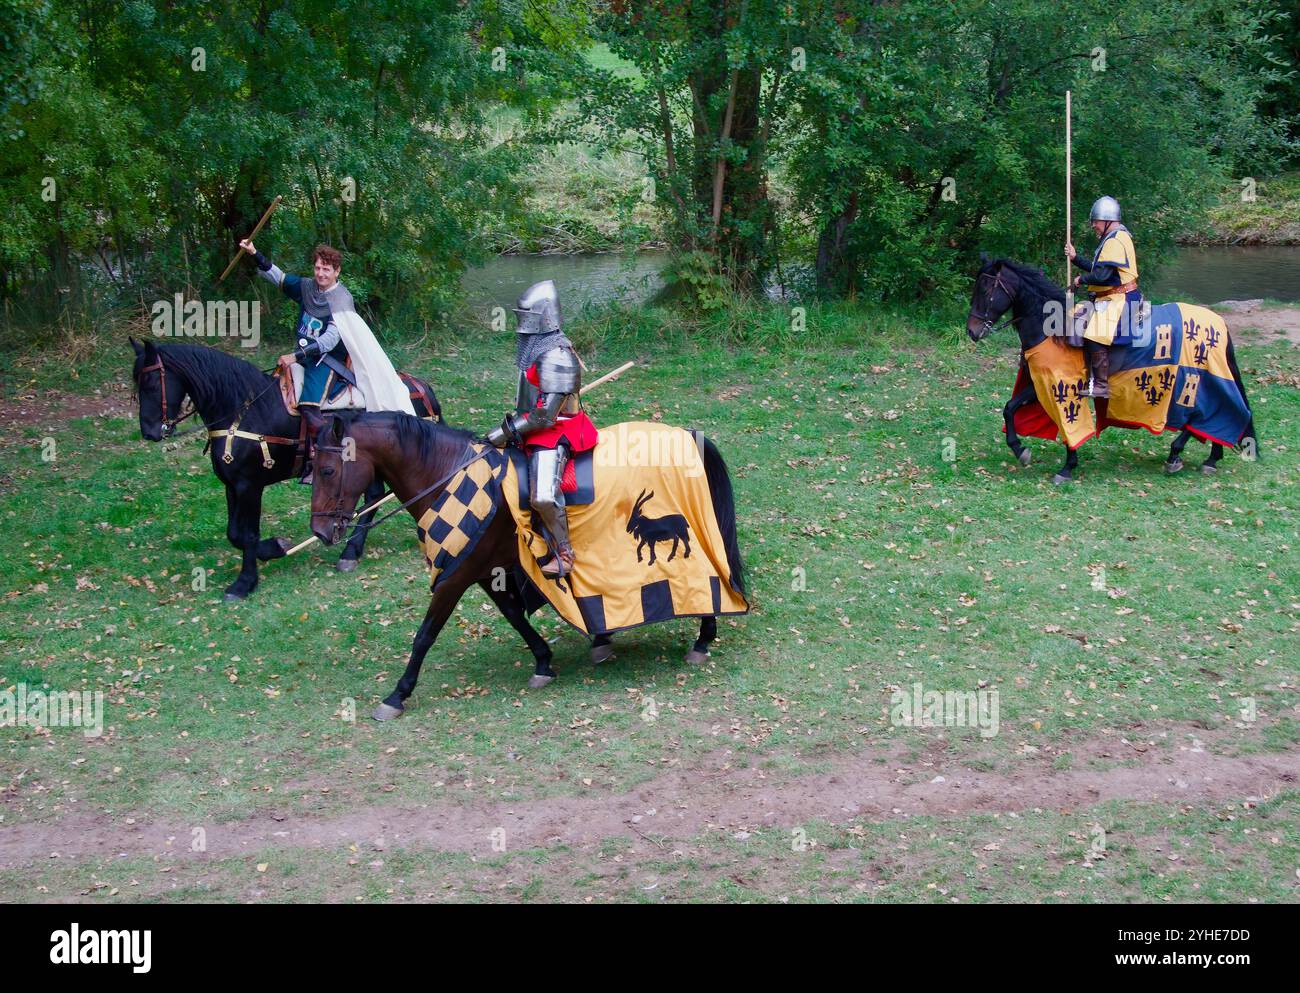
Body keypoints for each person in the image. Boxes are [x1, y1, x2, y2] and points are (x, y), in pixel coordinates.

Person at [239, 239, 414, 478]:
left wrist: (295, 356)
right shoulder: (307, 287)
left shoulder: (341, 299)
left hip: (327, 360)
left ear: (336, 271)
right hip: (304, 357)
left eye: (326, 269)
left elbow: (329, 341)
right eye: (318, 268)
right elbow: (278, 277)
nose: (321, 273)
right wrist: (254, 253)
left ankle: (318, 459)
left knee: (309, 405)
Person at [486, 280, 597, 577]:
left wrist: (503, 432)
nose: (522, 322)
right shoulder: (537, 350)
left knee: (543, 496)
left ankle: (565, 554)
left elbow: (544, 417)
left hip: (556, 431)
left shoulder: (558, 355)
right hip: (533, 426)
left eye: (527, 315)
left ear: (543, 316)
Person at [1063, 196, 1142, 398]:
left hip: (1120, 298)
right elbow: (1100, 269)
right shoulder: (1113, 237)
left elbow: (1101, 276)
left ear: (1107, 220)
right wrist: (1075, 258)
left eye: (1096, 222)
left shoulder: (1116, 240)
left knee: (1094, 334)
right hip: (1110, 297)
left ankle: (1101, 385)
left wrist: (1080, 280)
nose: (1094, 226)